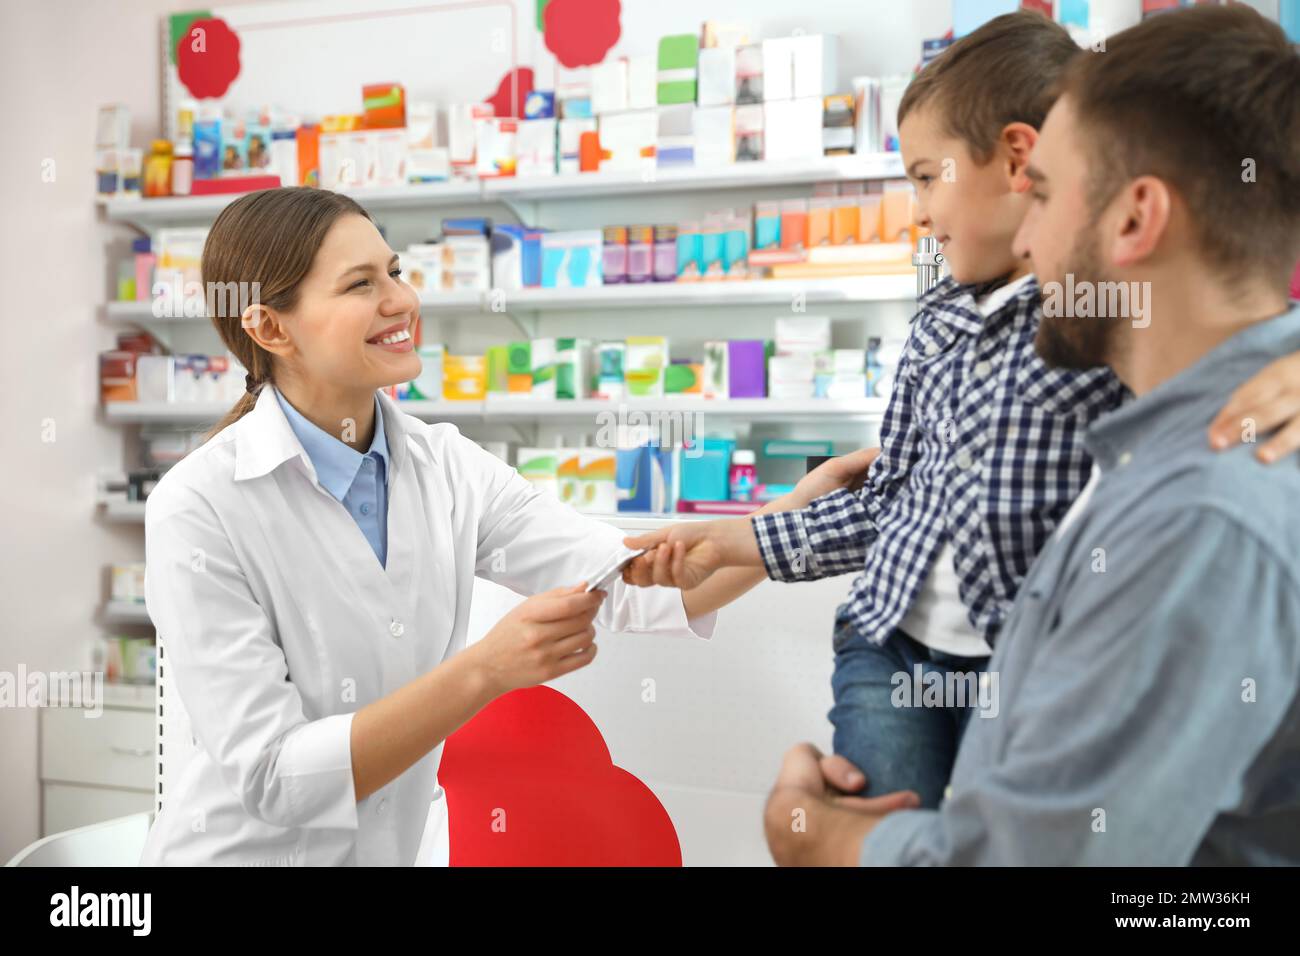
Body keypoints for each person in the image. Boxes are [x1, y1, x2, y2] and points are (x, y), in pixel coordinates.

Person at [621, 10, 1300, 812]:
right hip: (888, 648)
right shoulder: (937, 321)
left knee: (992, 839)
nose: (916, 210)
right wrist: (739, 537)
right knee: (885, 830)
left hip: (1023, 662)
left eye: (924, 175)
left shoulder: (1100, 312)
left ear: (1017, 157)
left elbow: (1224, 350)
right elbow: (891, 503)